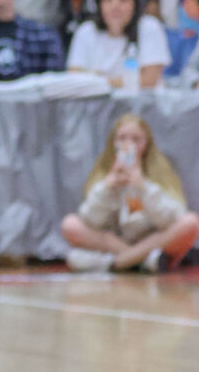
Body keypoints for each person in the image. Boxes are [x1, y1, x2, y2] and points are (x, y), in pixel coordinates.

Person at [61, 114, 198, 273]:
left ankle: (116, 263)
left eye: (135, 139)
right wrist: (107, 187)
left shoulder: (160, 173)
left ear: (147, 143)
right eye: (122, 138)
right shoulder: (104, 174)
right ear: (113, 143)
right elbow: (90, 221)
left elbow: (172, 218)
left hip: (153, 241)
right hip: (115, 244)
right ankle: (141, 261)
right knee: (70, 224)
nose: (128, 144)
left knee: (190, 222)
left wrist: (143, 188)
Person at [66, 0, 168, 87]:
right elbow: (74, 75)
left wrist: (99, 80)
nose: (115, 6)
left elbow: (149, 80)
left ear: (135, 5)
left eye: (123, 0)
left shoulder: (149, 27)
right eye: (108, 0)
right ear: (100, 6)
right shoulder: (86, 30)